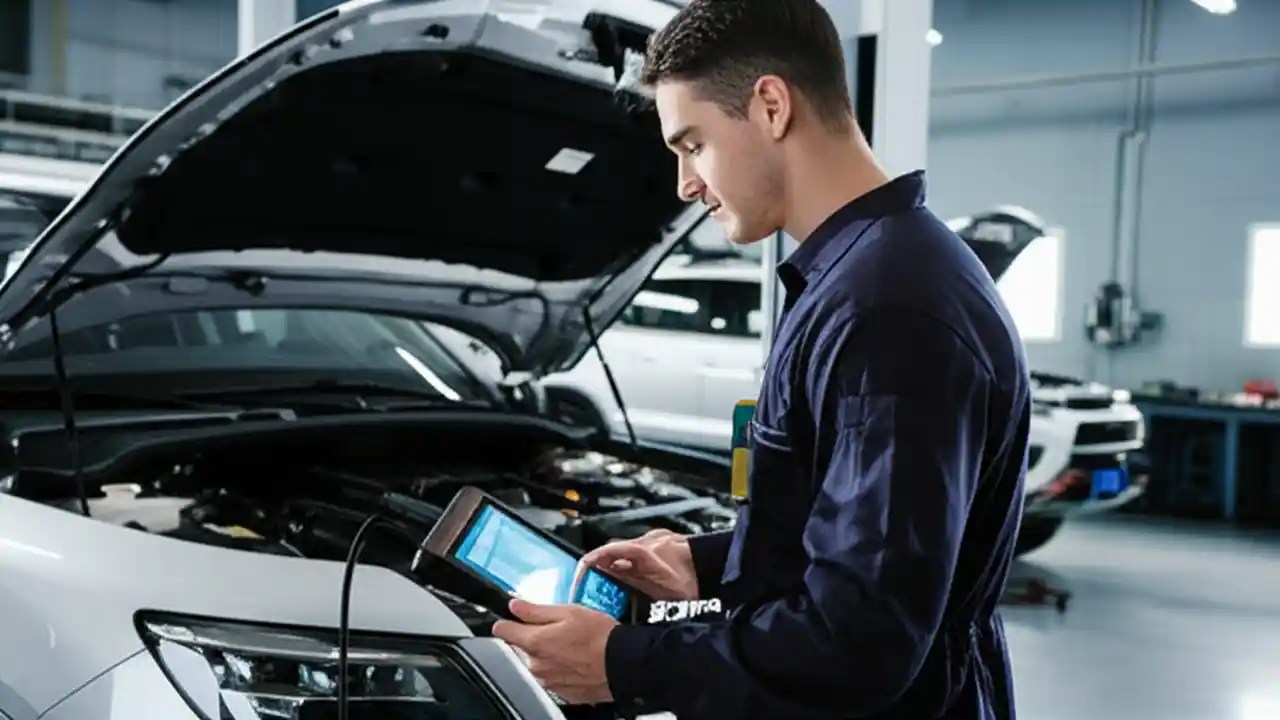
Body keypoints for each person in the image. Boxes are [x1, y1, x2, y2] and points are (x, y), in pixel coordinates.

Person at [491, 1, 1030, 718]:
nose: (685, 184)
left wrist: (625, 663)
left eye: (693, 144)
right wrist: (707, 563)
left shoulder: (889, 310)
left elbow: (859, 640)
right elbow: (850, 534)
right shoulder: (871, 273)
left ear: (771, 105)